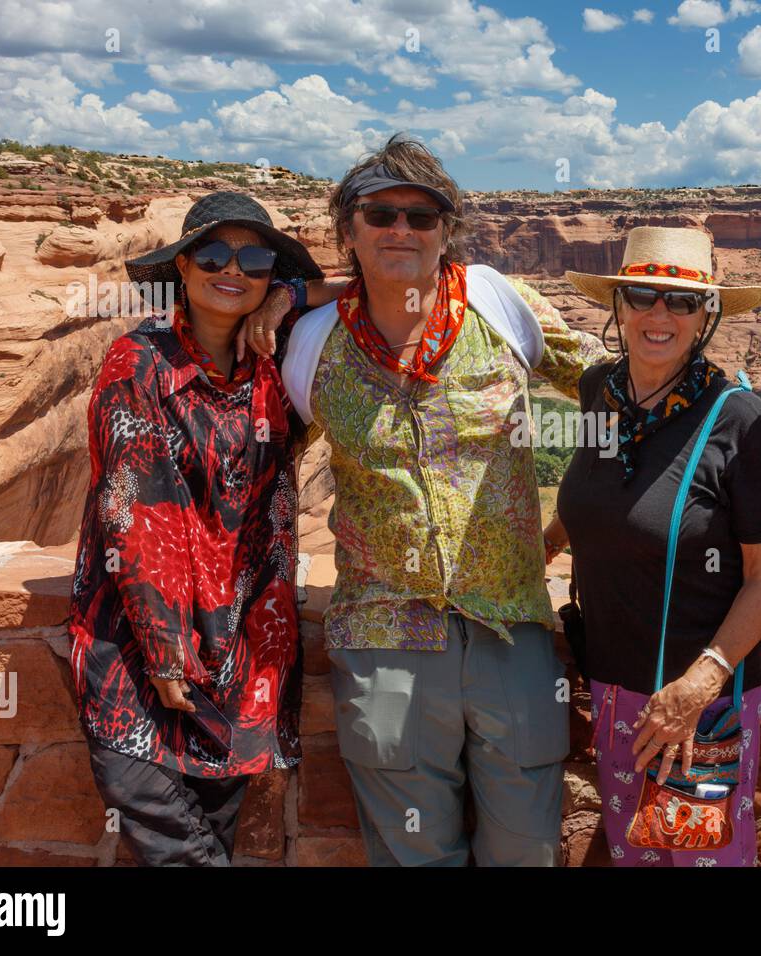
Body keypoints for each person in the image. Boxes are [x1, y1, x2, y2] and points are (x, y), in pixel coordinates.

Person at [244, 134, 608, 866]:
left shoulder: (500, 307)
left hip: (512, 632)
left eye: (423, 214)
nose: (401, 229)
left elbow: (619, 399)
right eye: (380, 214)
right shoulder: (312, 342)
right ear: (348, 229)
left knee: (525, 854)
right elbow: (255, 470)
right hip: (384, 642)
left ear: (449, 228)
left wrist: (570, 523)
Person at [68, 191, 327, 866]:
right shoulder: (138, 363)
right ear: (181, 267)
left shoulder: (272, 368)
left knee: (215, 830)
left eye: (255, 259)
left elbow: (387, 288)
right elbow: (133, 512)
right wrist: (163, 650)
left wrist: (291, 298)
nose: (231, 269)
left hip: (242, 645)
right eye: (212, 254)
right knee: (161, 823)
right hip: (137, 641)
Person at [554, 226, 761, 866]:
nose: (659, 314)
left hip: (694, 699)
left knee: (698, 856)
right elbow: (596, 494)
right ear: (618, 305)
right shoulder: (598, 390)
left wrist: (701, 681)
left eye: (682, 302)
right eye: (642, 295)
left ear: (705, 316)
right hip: (609, 682)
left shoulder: (740, 422)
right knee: (635, 853)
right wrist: (542, 546)